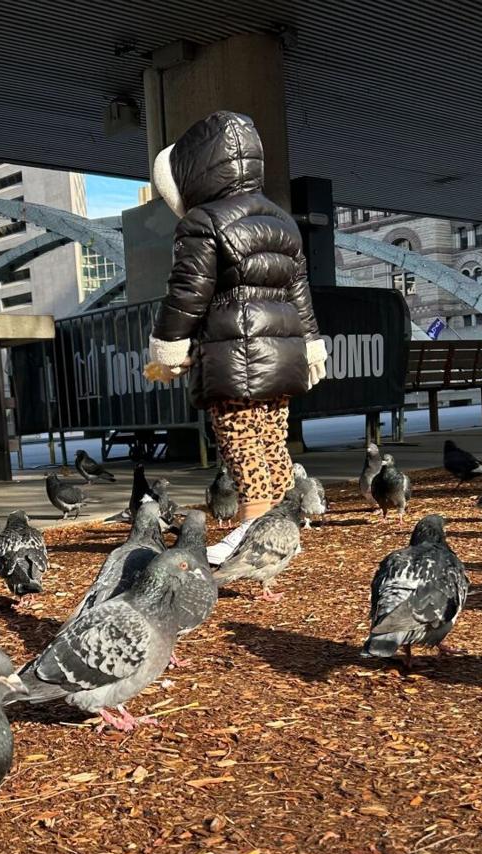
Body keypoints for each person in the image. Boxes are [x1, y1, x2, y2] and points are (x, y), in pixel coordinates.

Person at [143, 111, 326, 565]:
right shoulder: (282, 220)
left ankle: (252, 524)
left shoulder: (203, 223)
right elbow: (299, 291)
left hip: (234, 352)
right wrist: (311, 344)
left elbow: (188, 292)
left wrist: (168, 345)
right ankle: (283, 524)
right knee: (271, 437)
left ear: (196, 174)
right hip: (282, 353)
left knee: (239, 438)